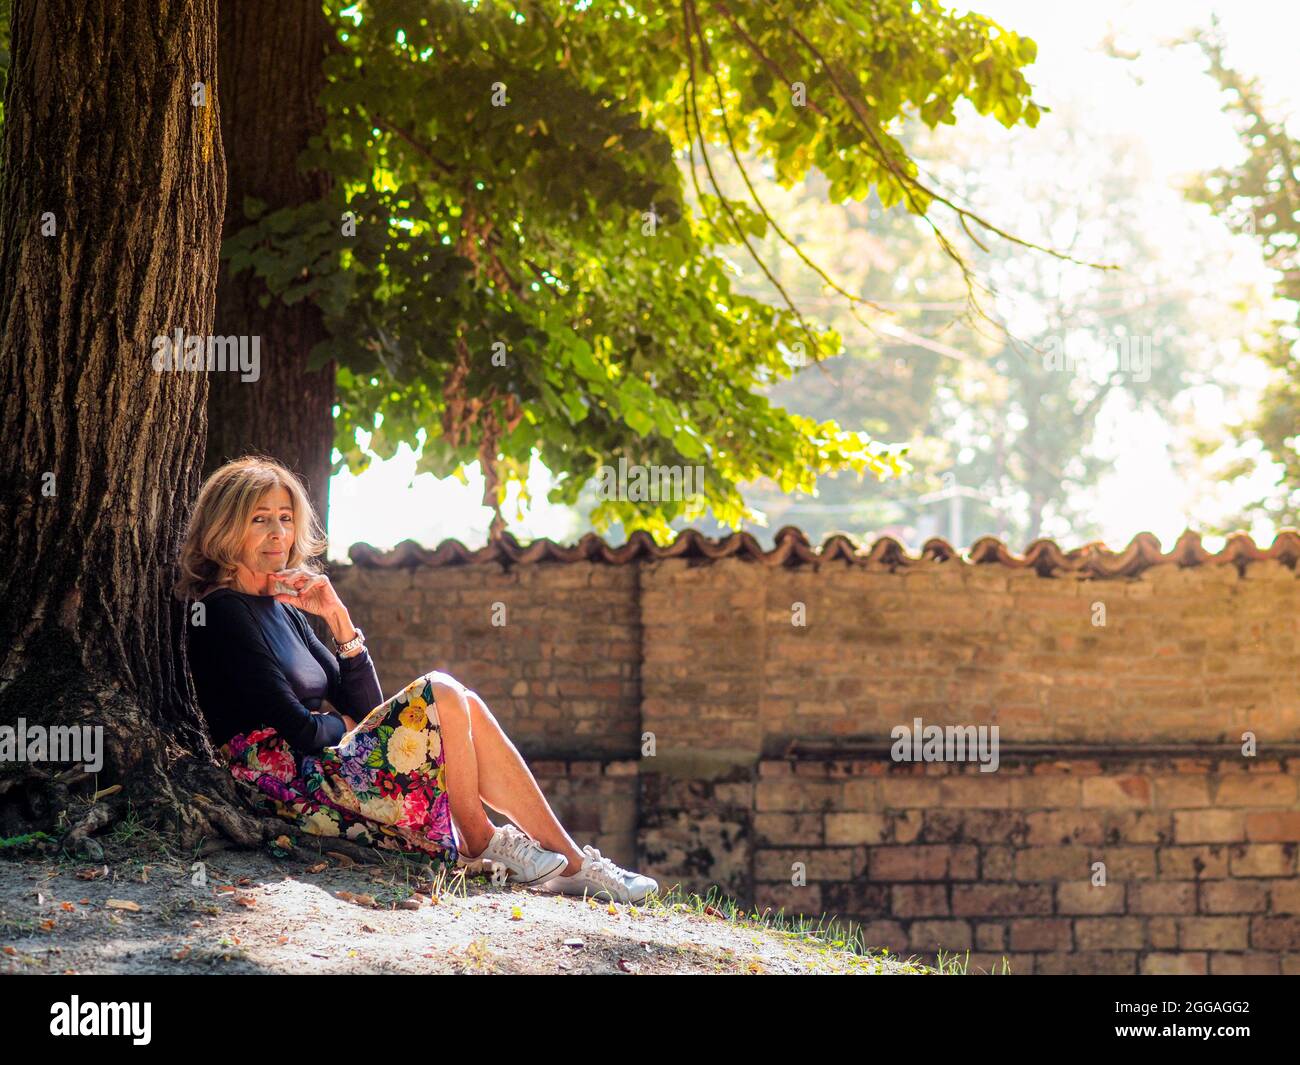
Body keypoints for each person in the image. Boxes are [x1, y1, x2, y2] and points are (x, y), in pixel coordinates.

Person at [175, 455, 656, 904]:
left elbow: (364, 710)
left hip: (322, 767)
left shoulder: (284, 607)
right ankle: (480, 839)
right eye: (260, 519)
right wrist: (341, 723)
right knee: (442, 690)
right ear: (225, 528)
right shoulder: (222, 611)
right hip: (284, 788)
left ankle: (571, 862)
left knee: (461, 699)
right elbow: (298, 728)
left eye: (285, 517)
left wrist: (339, 621)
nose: (278, 532)